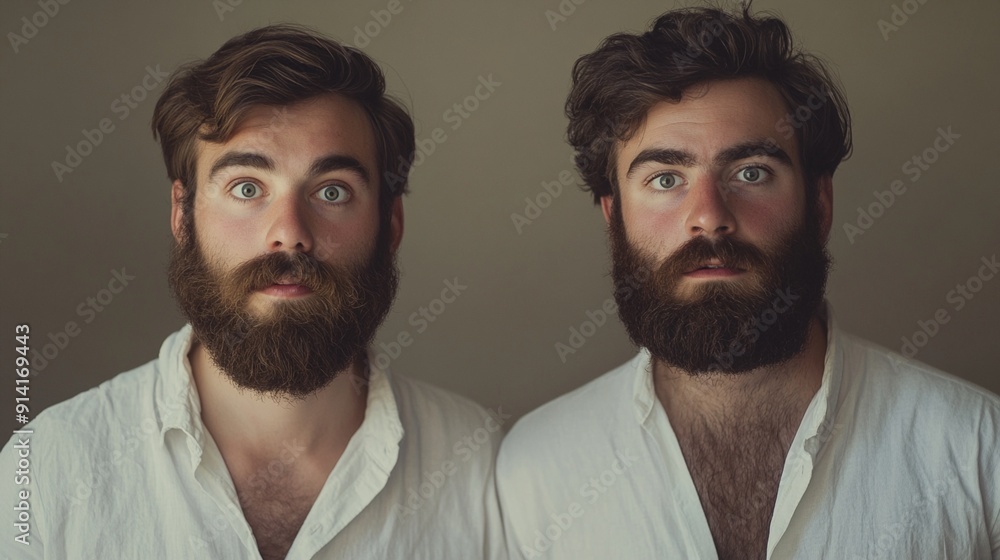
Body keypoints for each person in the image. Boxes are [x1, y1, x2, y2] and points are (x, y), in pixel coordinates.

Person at [495, 5, 999, 559]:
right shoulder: (533, 475)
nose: (709, 216)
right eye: (665, 179)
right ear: (613, 216)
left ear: (820, 203)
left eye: (751, 172)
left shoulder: (979, 451)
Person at [1, 24, 505, 560]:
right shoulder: (44, 476)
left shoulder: (480, 466)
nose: (288, 232)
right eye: (246, 188)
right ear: (181, 214)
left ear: (391, 223)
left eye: (332, 192)